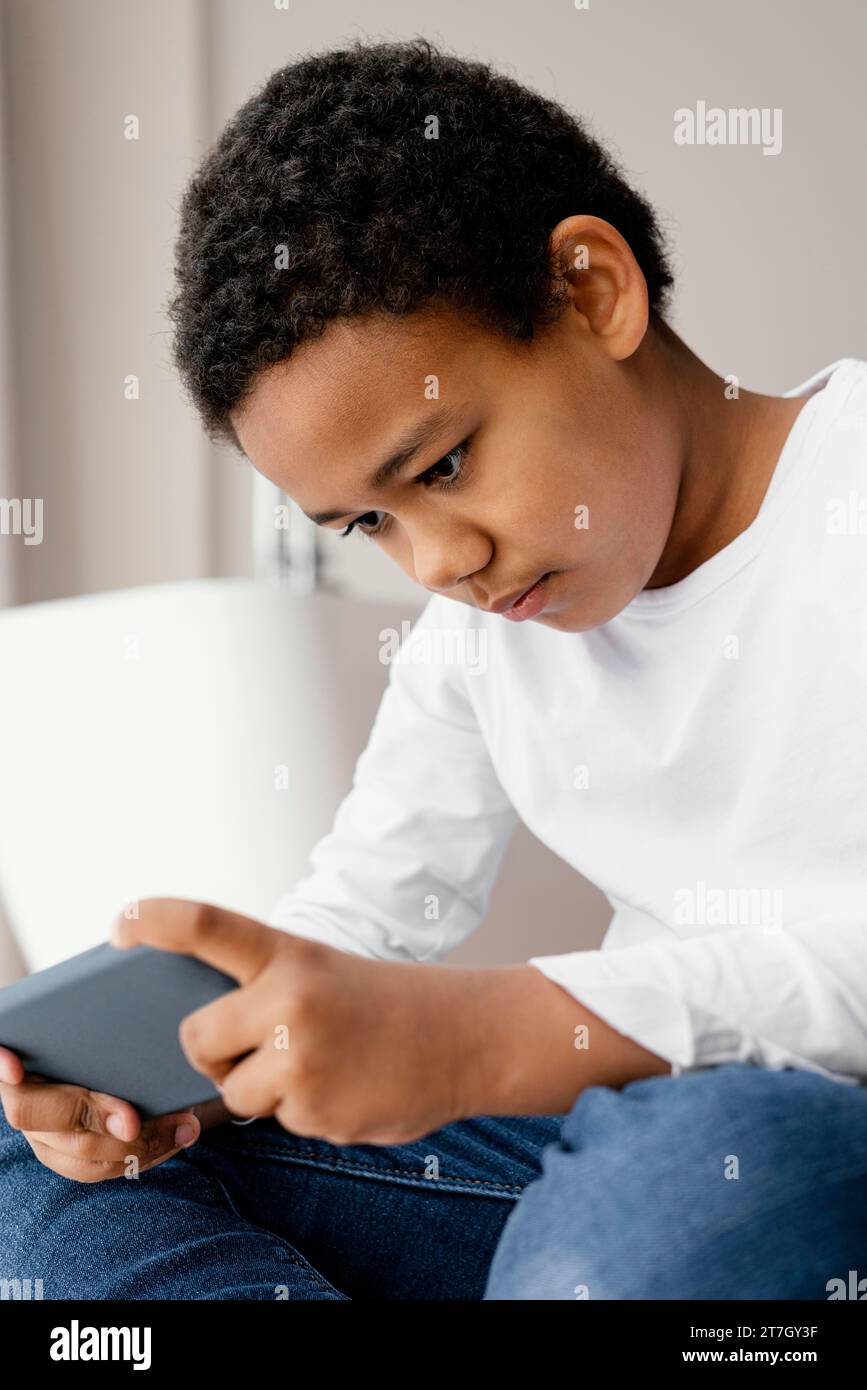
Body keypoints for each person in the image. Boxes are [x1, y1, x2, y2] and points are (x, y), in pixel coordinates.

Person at [1, 38, 866, 1302]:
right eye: (369, 525)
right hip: (615, 1141)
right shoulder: (488, 621)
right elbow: (368, 910)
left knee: (656, 1220)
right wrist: (213, 1051)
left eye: (445, 465)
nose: (439, 561)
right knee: (61, 1164)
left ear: (590, 290)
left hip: (774, 1151)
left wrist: (494, 1032)